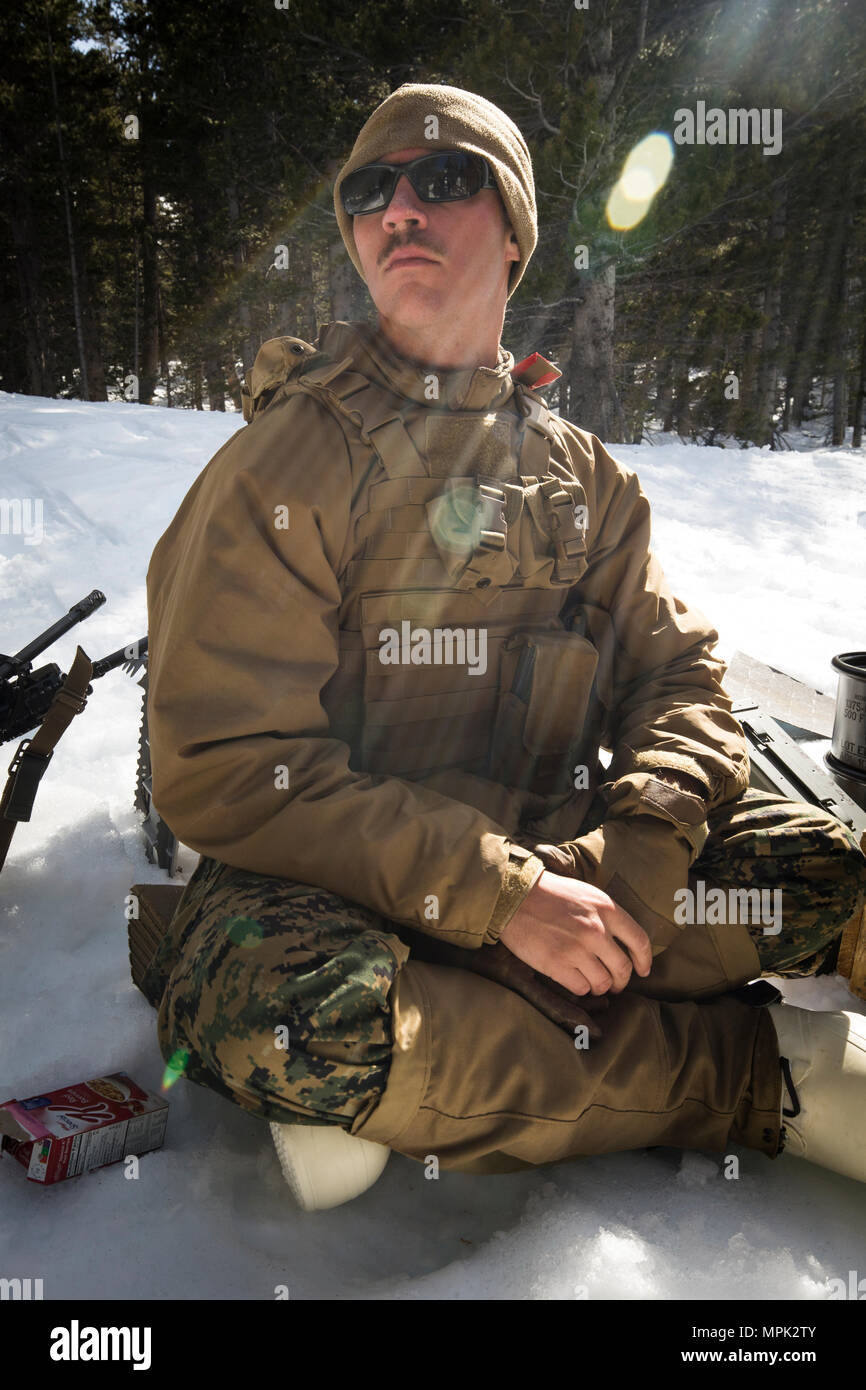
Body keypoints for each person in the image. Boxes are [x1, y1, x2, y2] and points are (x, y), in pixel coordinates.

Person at [143, 83, 866, 1211]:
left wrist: (639, 842)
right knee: (294, 1024)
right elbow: (228, 767)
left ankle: (456, 1062)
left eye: (440, 179)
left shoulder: (584, 476)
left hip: (576, 861)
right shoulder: (286, 466)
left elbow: (679, 677)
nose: (397, 210)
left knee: (821, 869)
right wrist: (499, 902)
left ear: (515, 228)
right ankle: (753, 1075)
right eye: (367, 191)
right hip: (351, 891)